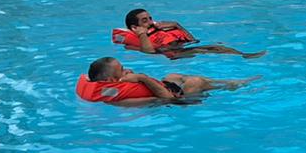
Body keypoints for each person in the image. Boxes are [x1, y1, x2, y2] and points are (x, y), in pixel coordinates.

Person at [76, 56, 256, 106]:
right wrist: (141, 78)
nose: (127, 70)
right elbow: (166, 99)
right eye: (122, 70)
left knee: (173, 75)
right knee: (196, 82)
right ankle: (230, 87)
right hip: (175, 99)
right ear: (109, 79)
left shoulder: (110, 85)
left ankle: (227, 82)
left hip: (165, 88)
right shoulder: (119, 100)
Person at [112, 8, 263, 59]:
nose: (151, 22)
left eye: (150, 18)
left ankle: (243, 54)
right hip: (173, 55)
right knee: (205, 50)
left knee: (216, 47)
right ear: (134, 27)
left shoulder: (158, 29)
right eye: (145, 20)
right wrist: (142, 34)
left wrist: (178, 25)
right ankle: (244, 55)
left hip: (181, 48)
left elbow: (192, 40)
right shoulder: (131, 44)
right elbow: (149, 52)